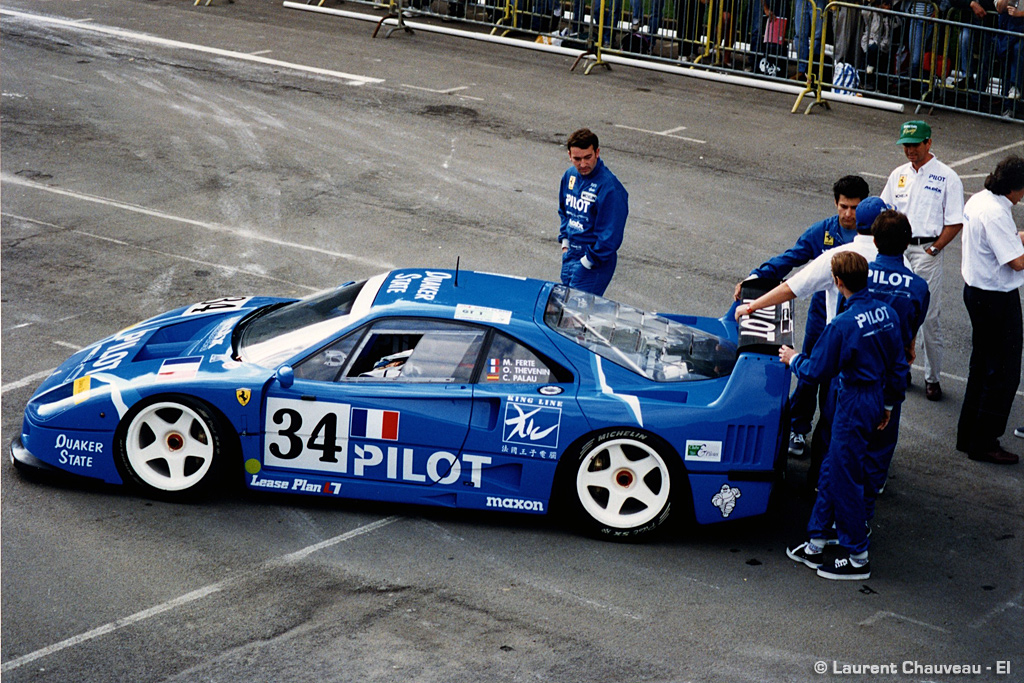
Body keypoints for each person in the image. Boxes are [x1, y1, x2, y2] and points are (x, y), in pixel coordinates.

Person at [736, 196, 888, 488]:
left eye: (854, 208)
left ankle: (822, 492)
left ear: (839, 281)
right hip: (879, 363)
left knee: (833, 428)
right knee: (870, 435)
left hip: (847, 366)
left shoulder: (840, 258)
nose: (847, 213)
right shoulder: (901, 268)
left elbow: (793, 287)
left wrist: (755, 310)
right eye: (843, 206)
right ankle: (867, 482)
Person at [782, 251, 908, 580]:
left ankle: (857, 556)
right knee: (832, 468)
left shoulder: (841, 325)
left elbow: (814, 371)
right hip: (875, 398)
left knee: (845, 478)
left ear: (837, 282)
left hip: (851, 401)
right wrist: (889, 405)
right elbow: (898, 366)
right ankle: (816, 541)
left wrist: (792, 358)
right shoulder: (888, 313)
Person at [880, 120, 965, 402]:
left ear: (929, 143)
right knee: (896, 312)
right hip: (898, 252)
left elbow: (954, 222)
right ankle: (900, 370)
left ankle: (932, 378)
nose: (910, 151)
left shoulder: (948, 177)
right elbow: (885, 211)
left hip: (927, 251)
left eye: (915, 145)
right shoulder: (898, 175)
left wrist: (935, 249)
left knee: (929, 318)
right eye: (906, 146)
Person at [955, 155, 1024, 465]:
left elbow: (1003, 244)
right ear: (1015, 188)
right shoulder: (997, 213)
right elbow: (1017, 261)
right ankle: (985, 441)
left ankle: (968, 433)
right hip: (997, 298)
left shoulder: (980, 200)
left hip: (977, 291)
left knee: (981, 366)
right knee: (1003, 373)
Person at [862, 210, 930, 517]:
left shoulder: (858, 275)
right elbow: (914, 326)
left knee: (845, 427)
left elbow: (843, 317)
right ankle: (874, 483)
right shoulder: (917, 286)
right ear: (906, 243)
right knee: (884, 429)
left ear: (874, 241)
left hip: (856, 364)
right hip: (891, 368)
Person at [558, 128, 629, 296]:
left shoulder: (610, 188)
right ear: (569, 155)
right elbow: (564, 211)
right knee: (566, 311)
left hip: (594, 261)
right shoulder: (569, 176)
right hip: (570, 255)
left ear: (597, 152)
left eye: (587, 157)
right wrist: (565, 245)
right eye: (577, 159)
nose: (583, 164)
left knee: (575, 315)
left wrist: (587, 261)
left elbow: (610, 235)